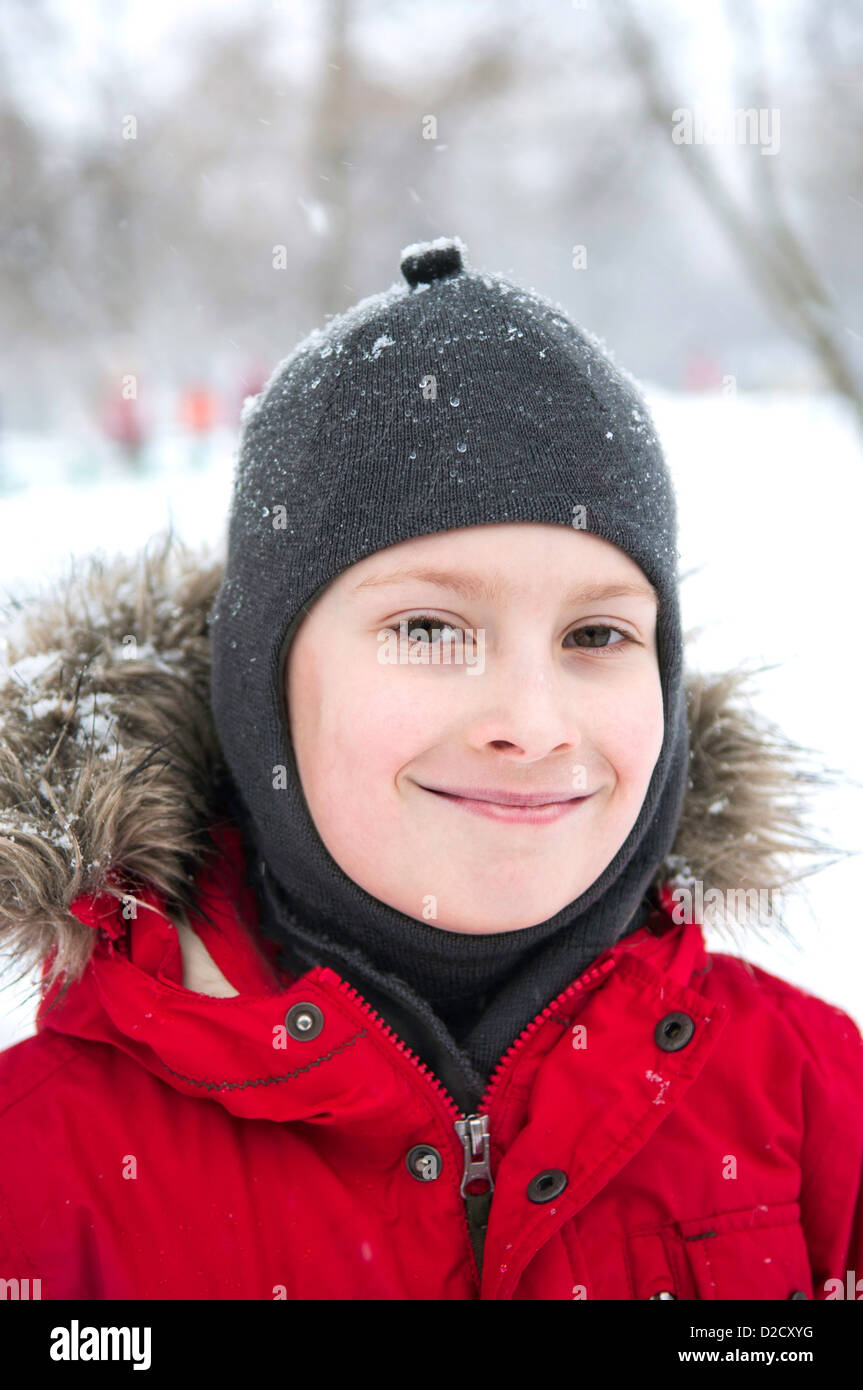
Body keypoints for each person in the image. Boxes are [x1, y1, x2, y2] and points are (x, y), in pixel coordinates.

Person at [0, 237, 860, 1301]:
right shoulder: (38, 1181)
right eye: (428, 626)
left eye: (594, 637)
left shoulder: (818, 1108)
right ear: (260, 688)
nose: (531, 723)